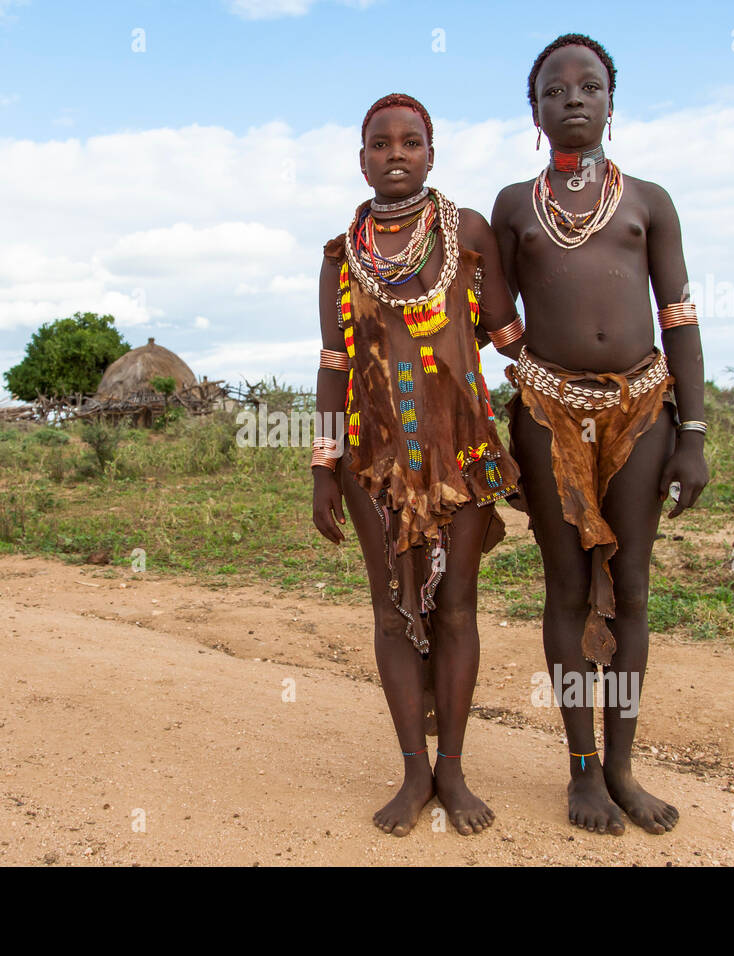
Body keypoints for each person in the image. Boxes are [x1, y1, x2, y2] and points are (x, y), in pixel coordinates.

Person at [490, 35, 709, 835]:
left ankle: (622, 765)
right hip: (548, 417)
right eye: (554, 89)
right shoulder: (516, 205)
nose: (573, 99)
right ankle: (581, 772)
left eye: (590, 86)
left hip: (643, 409)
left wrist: (692, 431)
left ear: (613, 102)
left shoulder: (649, 201)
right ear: (536, 109)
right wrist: (530, 374)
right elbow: (491, 305)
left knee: (633, 590)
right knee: (568, 589)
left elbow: (678, 314)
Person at [312, 93, 526, 837]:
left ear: (432, 155)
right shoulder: (342, 257)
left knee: (457, 607)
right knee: (392, 614)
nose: (395, 153)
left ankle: (456, 771)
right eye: (380, 143)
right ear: (362, 156)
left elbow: (506, 336)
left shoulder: (467, 232)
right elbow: (334, 364)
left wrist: (567, 413)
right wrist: (322, 466)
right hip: (372, 463)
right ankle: (412, 773)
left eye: (411, 142)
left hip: (459, 454)